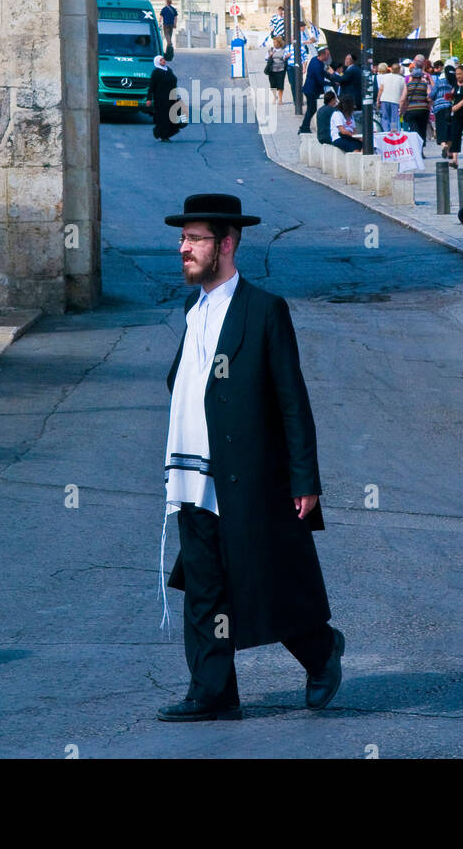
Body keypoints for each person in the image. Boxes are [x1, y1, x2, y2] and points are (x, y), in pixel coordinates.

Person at [158, 193, 343, 722]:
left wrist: (304, 477)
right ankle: (212, 691)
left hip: (246, 478)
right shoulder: (194, 312)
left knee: (265, 578)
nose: (183, 248)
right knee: (204, 585)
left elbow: (292, 400)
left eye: (194, 239)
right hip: (191, 478)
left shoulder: (263, 310)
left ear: (227, 244)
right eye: (184, 238)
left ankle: (322, 649)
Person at [146, 53, 182, 140]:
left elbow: (174, 83)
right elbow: (151, 86)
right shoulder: (156, 72)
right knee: (164, 117)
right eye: (161, 60)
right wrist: (149, 99)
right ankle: (163, 135)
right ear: (157, 62)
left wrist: (177, 96)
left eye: (163, 59)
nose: (164, 61)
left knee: (173, 115)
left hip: (172, 98)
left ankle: (164, 132)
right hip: (161, 99)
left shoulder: (168, 70)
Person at [298, 45, 331, 133]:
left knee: (311, 109)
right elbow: (320, 80)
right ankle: (304, 127)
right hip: (311, 90)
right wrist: (331, 83)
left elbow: (323, 73)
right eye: (327, 55)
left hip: (309, 89)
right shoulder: (317, 65)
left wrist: (331, 77)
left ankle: (304, 127)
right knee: (311, 109)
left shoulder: (315, 60)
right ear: (322, 55)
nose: (328, 57)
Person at [399, 60, 431, 147]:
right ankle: (421, 148)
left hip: (411, 110)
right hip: (423, 110)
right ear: (421, 76)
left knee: (414, 130)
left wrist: (401, 110)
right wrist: (429, 105)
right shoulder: (425, 85)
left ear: (412, 76)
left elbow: (403, 99)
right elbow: (430, 96)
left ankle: (416, 148)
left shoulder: (408, 85)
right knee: (422, 129)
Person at [431, 63, 455, 158]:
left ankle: (443, 145)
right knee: (449, 129)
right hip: (450, 107)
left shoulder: (439, 82)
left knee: (441, 128)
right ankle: (449, 151)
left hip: (439, 107)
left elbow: (432, 95)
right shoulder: (453, 83)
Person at [377, 62, 405, 132]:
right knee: (394, 118)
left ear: (391, 69)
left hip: (384, 99)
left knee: (385, 117)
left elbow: (381, 89)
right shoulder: (402, 79)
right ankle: (394, 132)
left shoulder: (385, 76)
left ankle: (386, 131)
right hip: (395, 100)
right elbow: (402, 92)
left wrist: (378, 100)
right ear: (399, 70)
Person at [283, 34, 308, 105]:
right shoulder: (287, 48)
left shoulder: (301, 48)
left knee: (299, 83)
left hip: (299, 67)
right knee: (293, 84)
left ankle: (300, 99)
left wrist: (304, 68)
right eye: (292, 39)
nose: (293, 41)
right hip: (290, 68)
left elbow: (305, 58)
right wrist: (287, 56)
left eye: (295, 39)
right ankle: (295, 101)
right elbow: (283, 58)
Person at [265, 34, 287, 105]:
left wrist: (286, 57)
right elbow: (266, 58)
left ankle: (280, 99)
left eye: (275, 42)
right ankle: (274, 97)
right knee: (273, 85)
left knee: (280, 85)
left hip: (281, 70)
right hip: (272, 70)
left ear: (279, 43)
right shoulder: (271, 50)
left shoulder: (283, 50)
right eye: (273, 42)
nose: (274, 44)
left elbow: (284, 58)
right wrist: (270, 55)